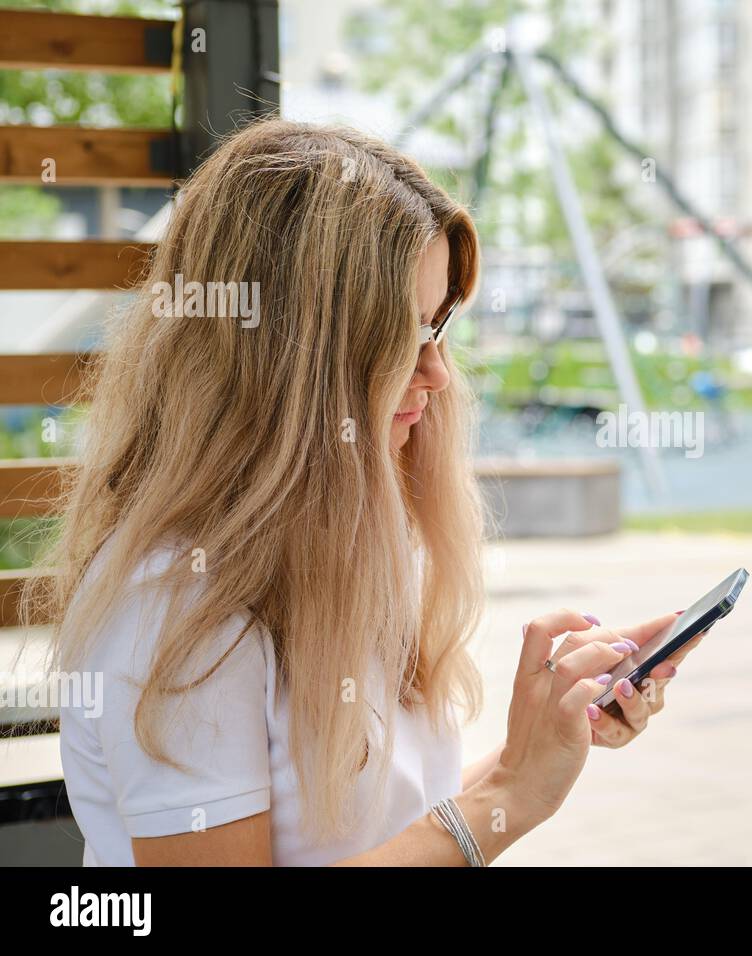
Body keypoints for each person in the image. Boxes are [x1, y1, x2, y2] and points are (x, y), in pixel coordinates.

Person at [28, 119, 705, 866]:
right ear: (287, 358)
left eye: (439, 326)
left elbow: (383, 832)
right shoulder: (177, 605)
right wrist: (508, 794)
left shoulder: (348, 538)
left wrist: (540, 744)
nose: (438, 375)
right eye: (399, 337)